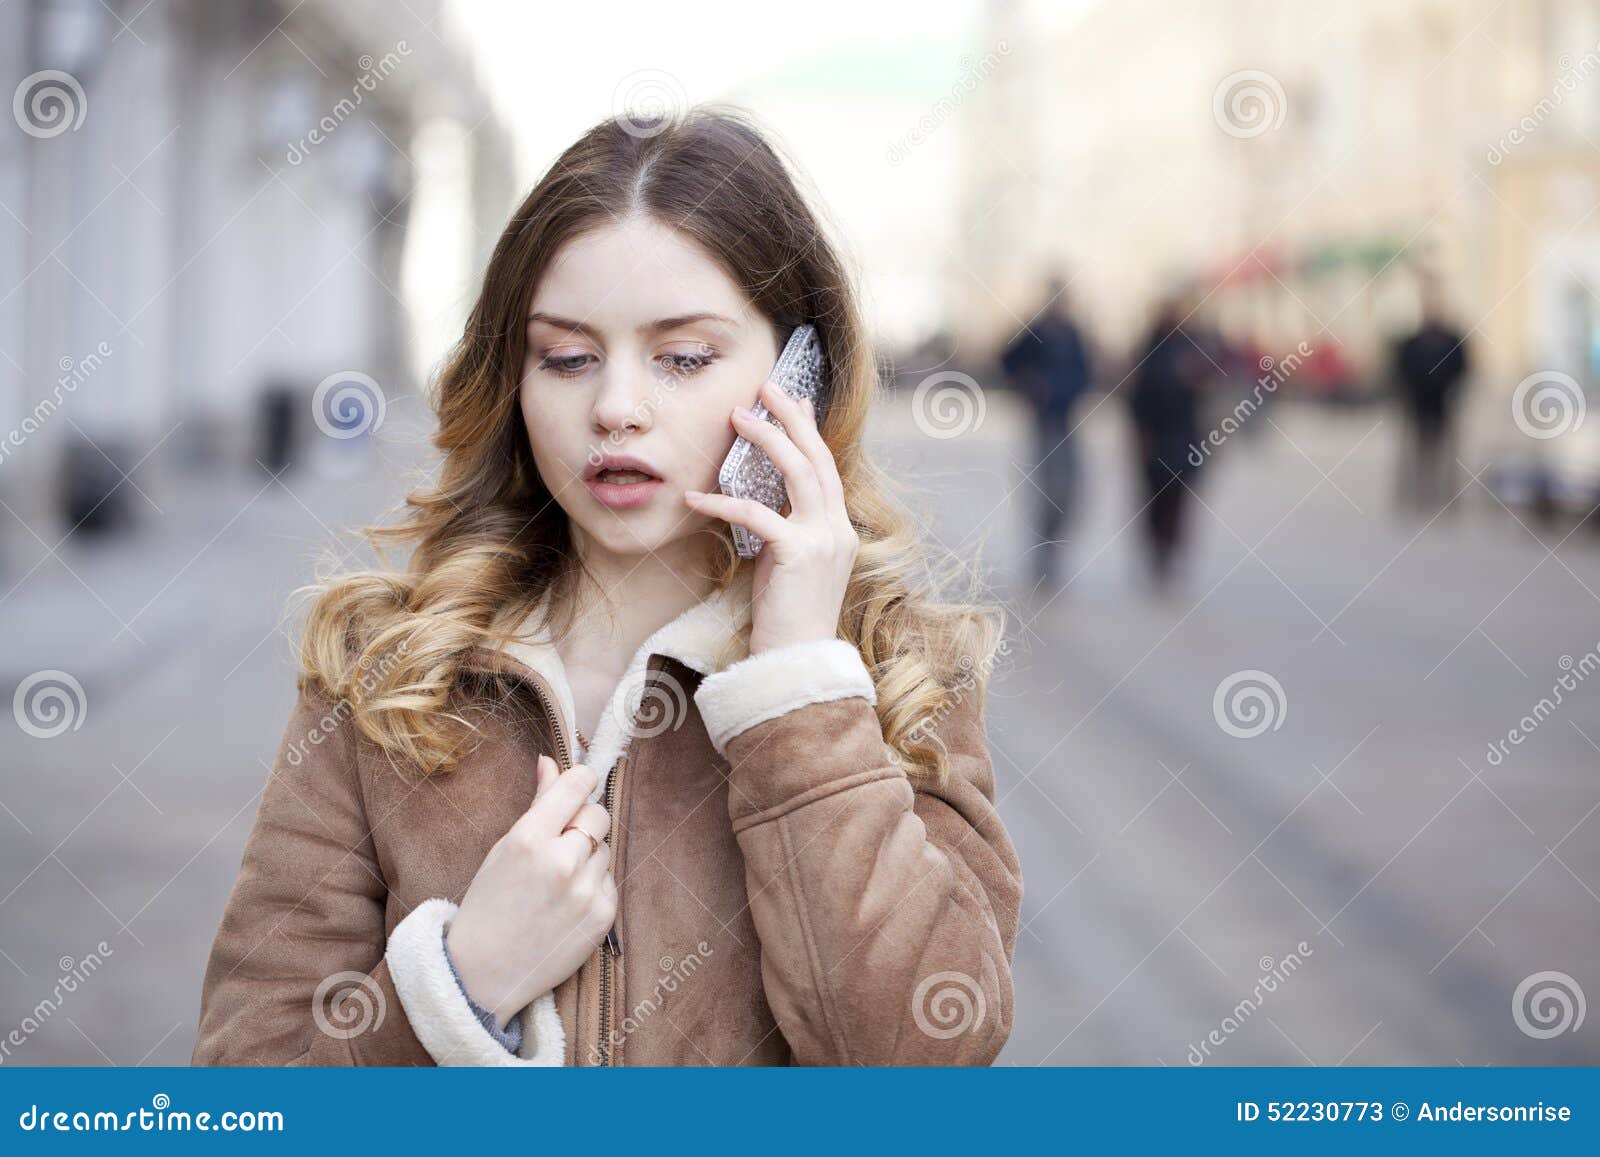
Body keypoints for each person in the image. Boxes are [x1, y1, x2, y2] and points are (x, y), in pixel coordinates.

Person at [190, 107, 1022, 1067]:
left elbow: (922, 1057)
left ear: (803, 373)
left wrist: (800, 687)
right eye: (568, 357)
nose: (617, 407)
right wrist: (460, 987)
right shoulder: (385, 669)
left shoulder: (898, 671)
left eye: (684, 358)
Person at [1000, 277, 1093, 595]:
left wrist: (1063, 389)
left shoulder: (1073, 334)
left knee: (1067, 491)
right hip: (1043, 424)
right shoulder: (1035, 331)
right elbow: (1006, 360)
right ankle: (1042, 552)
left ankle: (1053, 548)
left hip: (1066, 423)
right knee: (1048, 490)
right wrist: (1028, 385)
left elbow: (1085, 375)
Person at [1127, 293, 1213, 589]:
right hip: (1155, 437)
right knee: (1155, 497)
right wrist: (1140, 434)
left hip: (1185, 438)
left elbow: (1210, 389)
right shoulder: (1149, 349)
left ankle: (1171, 548)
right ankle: (1157, 551)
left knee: (1179, 498)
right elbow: (1137, 396)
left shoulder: (1194, 346)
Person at [1393, 280, 1470, 514]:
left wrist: (1450, 389)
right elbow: (1401, 370)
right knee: (1417, 452)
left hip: (1443, 404)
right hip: (1418, 405)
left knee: (1445, 454)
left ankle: (1445, 496)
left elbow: (1462, 368)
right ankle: (1417, 495)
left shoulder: (1452, 342)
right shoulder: (1412, 342)